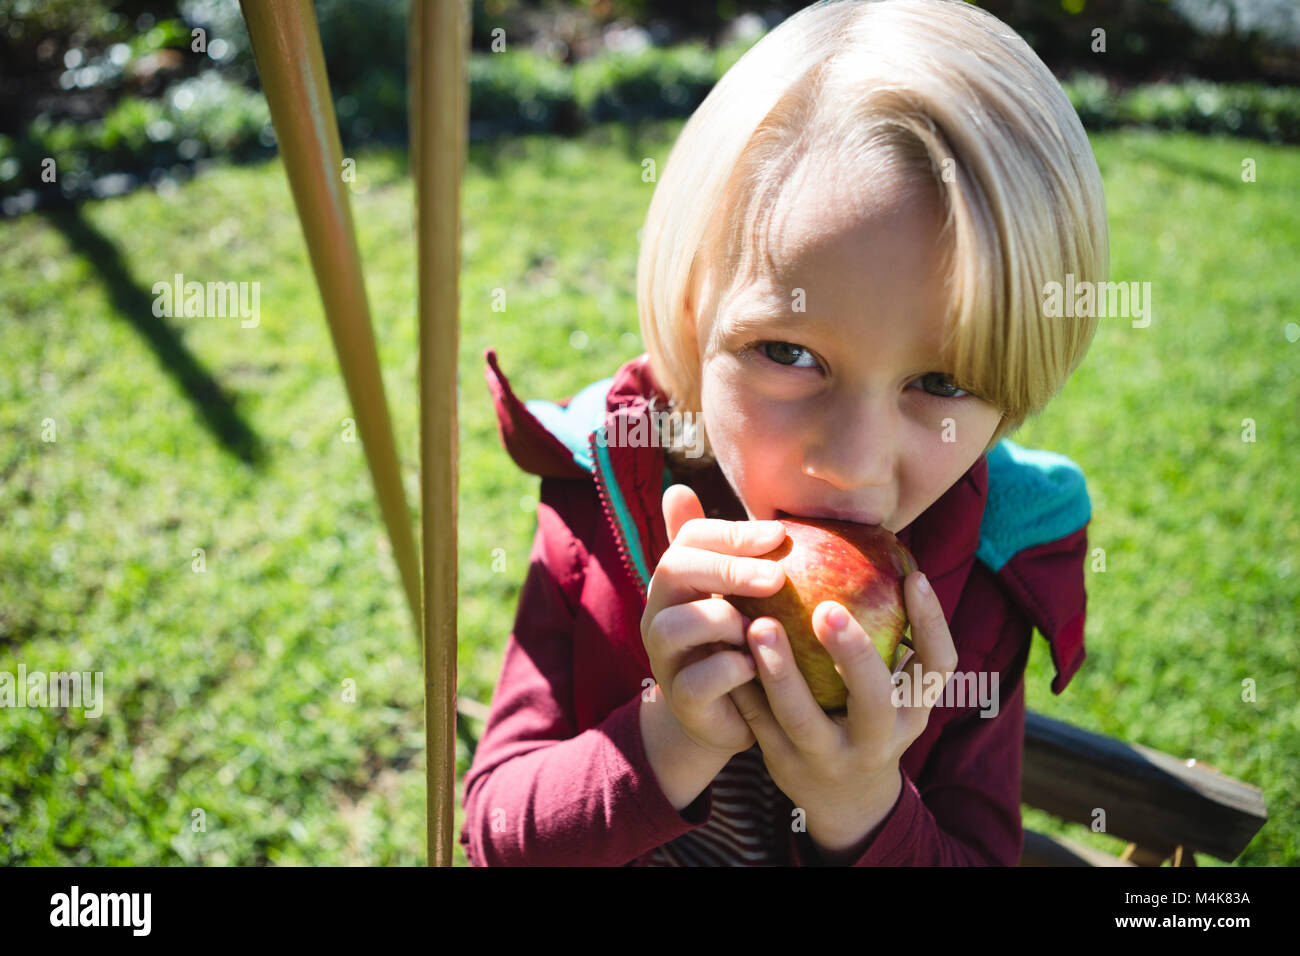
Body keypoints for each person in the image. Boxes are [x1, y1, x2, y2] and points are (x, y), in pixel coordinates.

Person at [460, 0, 1107, 866]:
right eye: (788, 351)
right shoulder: (599, 497)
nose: (849, 461)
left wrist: (863, 807)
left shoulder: (991, 578)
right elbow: (497, 832)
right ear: (693, 322)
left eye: (942, 382)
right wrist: (668, 739)